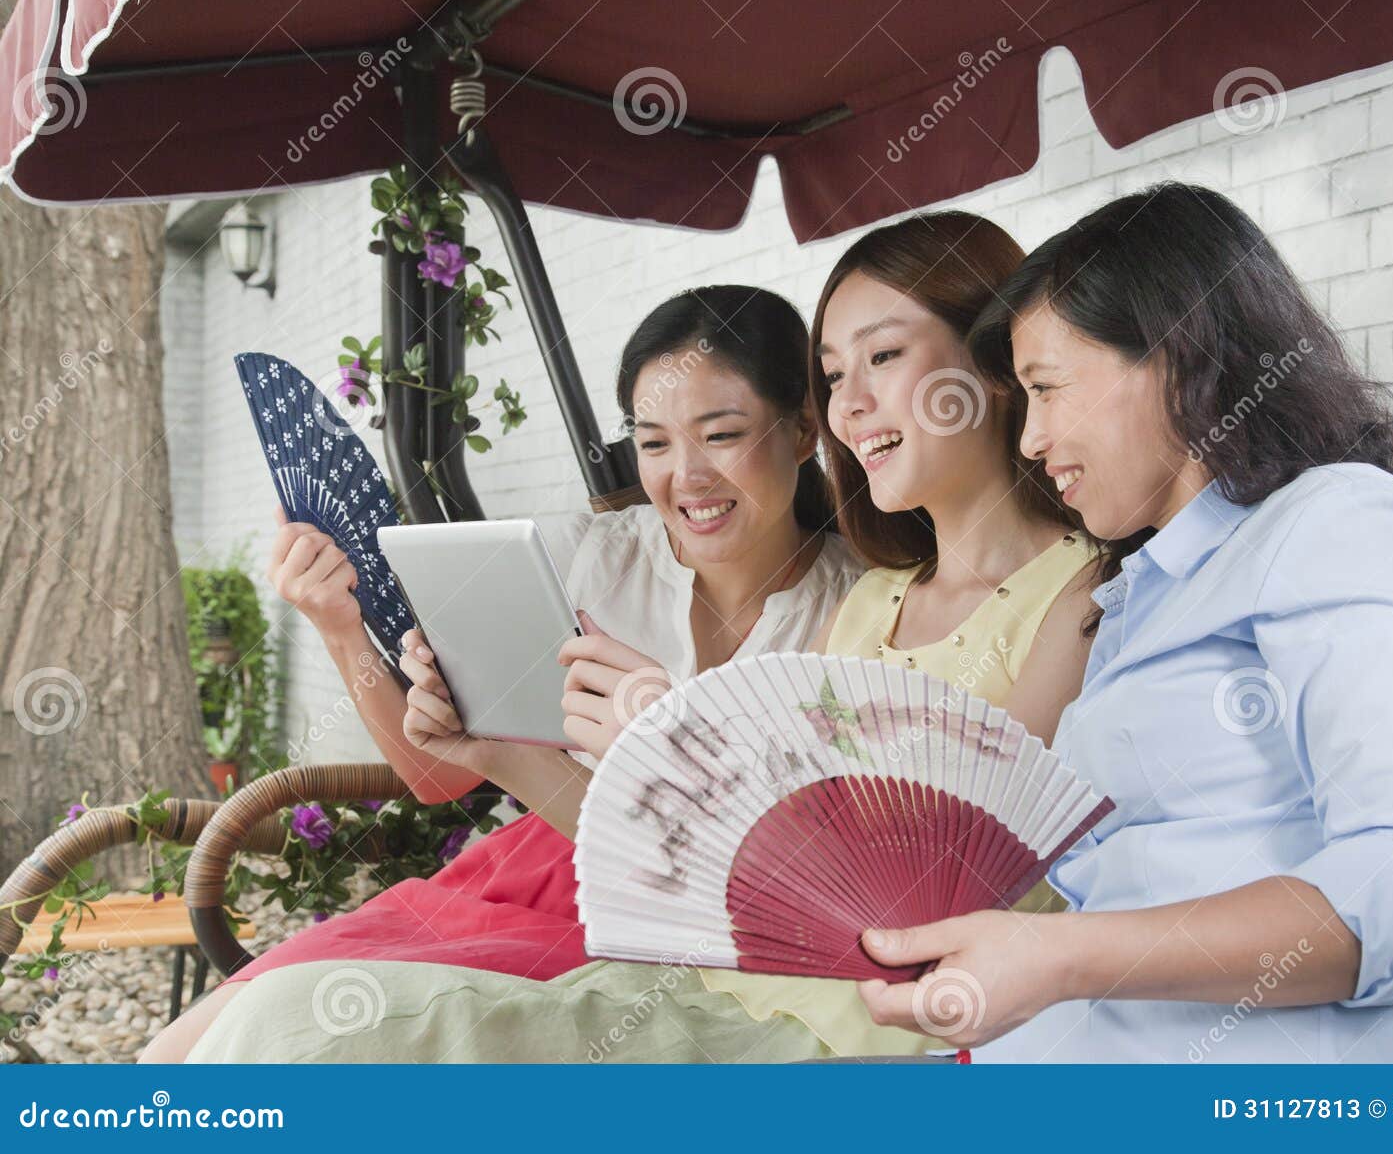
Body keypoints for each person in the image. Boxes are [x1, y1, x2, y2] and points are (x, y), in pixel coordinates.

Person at [180, 211, 1107, 1063]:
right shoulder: (876, 601)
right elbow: (700, 864)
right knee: (274, 1022)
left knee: (301, 1039)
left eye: (884, 357)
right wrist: (496, 747)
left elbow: (917, 893)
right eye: (834, 375)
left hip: (816, 1025)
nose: (850, 406)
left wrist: (674, 747)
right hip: (694, 960)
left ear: (997, 362)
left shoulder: (1069, 594)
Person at [852, 182, 1393, 1063]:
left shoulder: (1343, 523)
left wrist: (1059, 957)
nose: (1031, 440)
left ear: (1174, 357)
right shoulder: (1144, 587)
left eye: (1048, 389)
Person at [141, 284, 863, 1062]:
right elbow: (436, 775)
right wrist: (339, 622)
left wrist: (659, 744)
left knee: (322, 1046)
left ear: (801, 431)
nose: (685, 476)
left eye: (720, 434)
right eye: (653, 444)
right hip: (532, 868)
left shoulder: (861, 609)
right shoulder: (586, 558)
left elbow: (806, 878)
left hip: (687, 925)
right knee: (178, 1054)